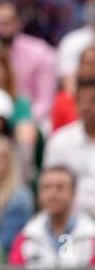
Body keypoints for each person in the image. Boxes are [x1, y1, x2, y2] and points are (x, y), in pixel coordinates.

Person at [9, 166, 95, 267]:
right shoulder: (25, 238)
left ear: (73, 193)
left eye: (60, 187)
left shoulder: (91, 237)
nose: (52, 194)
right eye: (46, 187)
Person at [43, 77, 95, 217]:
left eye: (92, 101)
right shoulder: (60, 140)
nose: (87, 107)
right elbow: (49, 185)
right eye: (82, 101)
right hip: (69, 221)